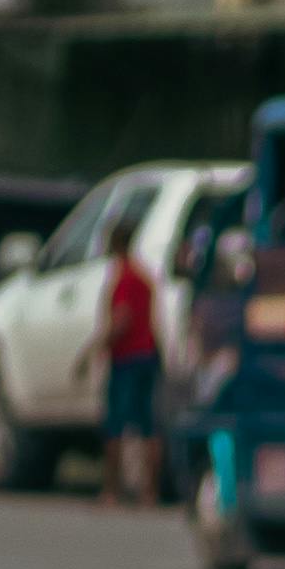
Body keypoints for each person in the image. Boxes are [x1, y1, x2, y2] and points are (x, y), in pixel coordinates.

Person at [95, 216, 166, 509]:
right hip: (148, 354)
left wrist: (98, 346)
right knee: (149, 426)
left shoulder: (124, 277)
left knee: (115, 426)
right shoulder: (144, 276)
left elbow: (122, 318)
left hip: (126, 358)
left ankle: (112, 490)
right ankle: (149, 491)